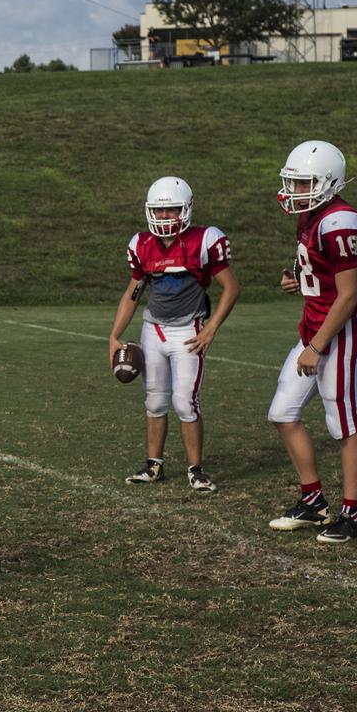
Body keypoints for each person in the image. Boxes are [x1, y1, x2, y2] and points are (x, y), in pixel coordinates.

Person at [267, 140, 357, 544]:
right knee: (282, 412)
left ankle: (351, 515)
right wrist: (297, 279)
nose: (294, 192)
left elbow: (347, 295)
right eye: (292, 183)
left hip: (339, 334)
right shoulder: (313, 217)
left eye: (303, 183)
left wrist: (318, 346)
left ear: (329, 183)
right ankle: (313, 503)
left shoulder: (341, 220)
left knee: (343, 426)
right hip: (313, 329)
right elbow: (321, 273)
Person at [108, 176, 241, 492]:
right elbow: (133, 292)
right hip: (152, 331)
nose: (165, 217)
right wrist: (114, 335)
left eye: (172, 210)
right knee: (154, 401)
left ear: (186, 209)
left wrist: (211, 327)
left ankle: (195, 469)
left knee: (185, 402)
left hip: (188, 332)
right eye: (160, 210)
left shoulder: (204, 241)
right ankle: (154, 466)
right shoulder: (142, 245)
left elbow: (231, 287)